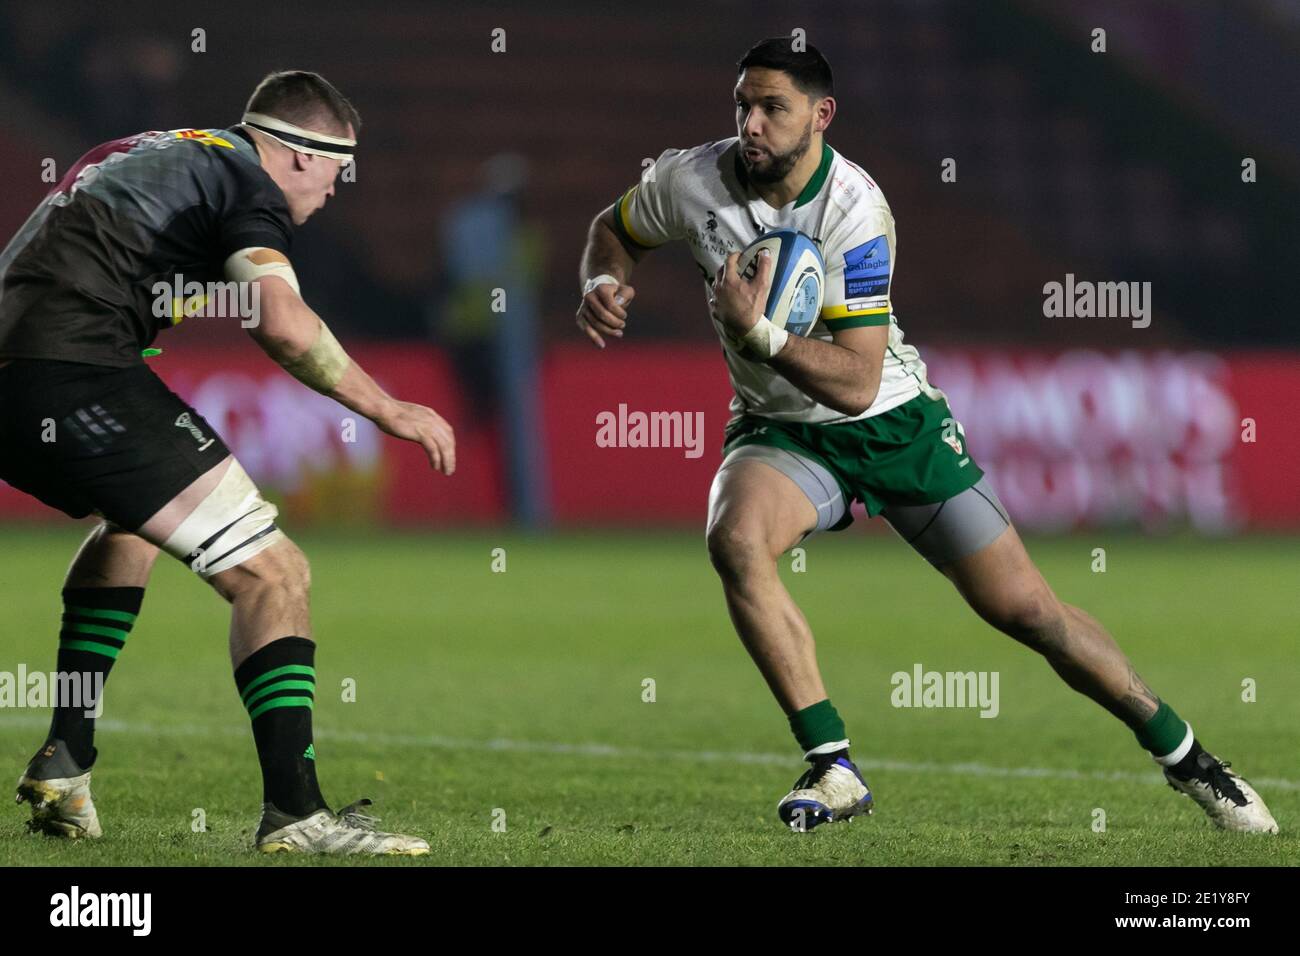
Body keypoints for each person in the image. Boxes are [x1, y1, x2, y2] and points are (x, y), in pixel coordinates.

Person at [574, 38, 1277, 834]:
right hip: (782, 430)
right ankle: (833, 766)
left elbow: (859, 379)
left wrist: (759, 336)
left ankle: (1188, 759)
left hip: (892, 425)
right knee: (735, 540)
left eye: (774, 107)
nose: (753, 124)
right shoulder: (690, 179)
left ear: (820, 115)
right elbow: (615, 226)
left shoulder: (854, 212)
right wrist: (605, 278)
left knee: (1028, 612)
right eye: (743, 104)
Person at [0, 70, 455, 854]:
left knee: (134, 526)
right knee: (275, 575)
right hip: (74, 371)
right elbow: (278, 320)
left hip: (20, 378)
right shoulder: (251, 183)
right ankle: (297, 815)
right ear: (298, 153)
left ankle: (66, 758)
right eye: (338, 169)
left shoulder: (150, 150)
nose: (337, 190)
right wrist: (385, 406)